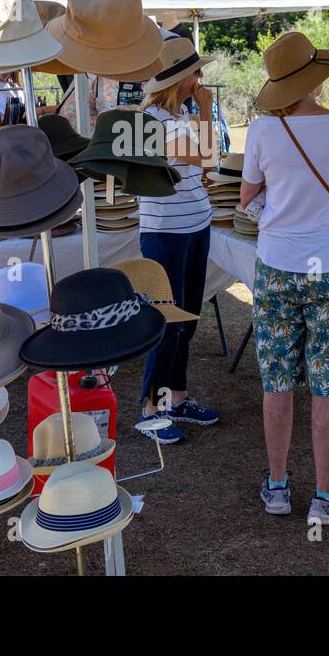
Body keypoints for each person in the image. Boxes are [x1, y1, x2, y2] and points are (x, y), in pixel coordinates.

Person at [240, 31, 329, 525]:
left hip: (276, 267)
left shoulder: (260, 131)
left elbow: (246, 199)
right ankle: (324, 494)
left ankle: (277, 487)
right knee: (328, 385)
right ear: (315, 80)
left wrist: (280, 215)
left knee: (277, 382)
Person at [134, 38, 220, 444]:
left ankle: (177, 397)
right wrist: (207, 109)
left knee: (186, 319)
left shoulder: (178, 114)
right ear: (178, 79)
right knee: (167, 322)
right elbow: (208, 157)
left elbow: (199, 161)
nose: (200, 78)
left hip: (192, 225)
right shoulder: (153, 119)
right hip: (166, 231)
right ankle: (151, 409)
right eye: (195, 72)